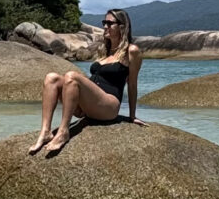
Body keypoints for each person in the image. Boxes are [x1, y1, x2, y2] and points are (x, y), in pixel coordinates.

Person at [28, 9, 142, 156]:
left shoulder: (131, 51)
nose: (105, 26)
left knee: (72, 76)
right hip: (88, 105)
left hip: (108, 105)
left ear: (122, 26)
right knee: (51, 78)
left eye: (109, 23)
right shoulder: (104, 50)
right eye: (104, 23)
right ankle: (45, 132)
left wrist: (132, 116)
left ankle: (63, 131)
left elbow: (132, 84)